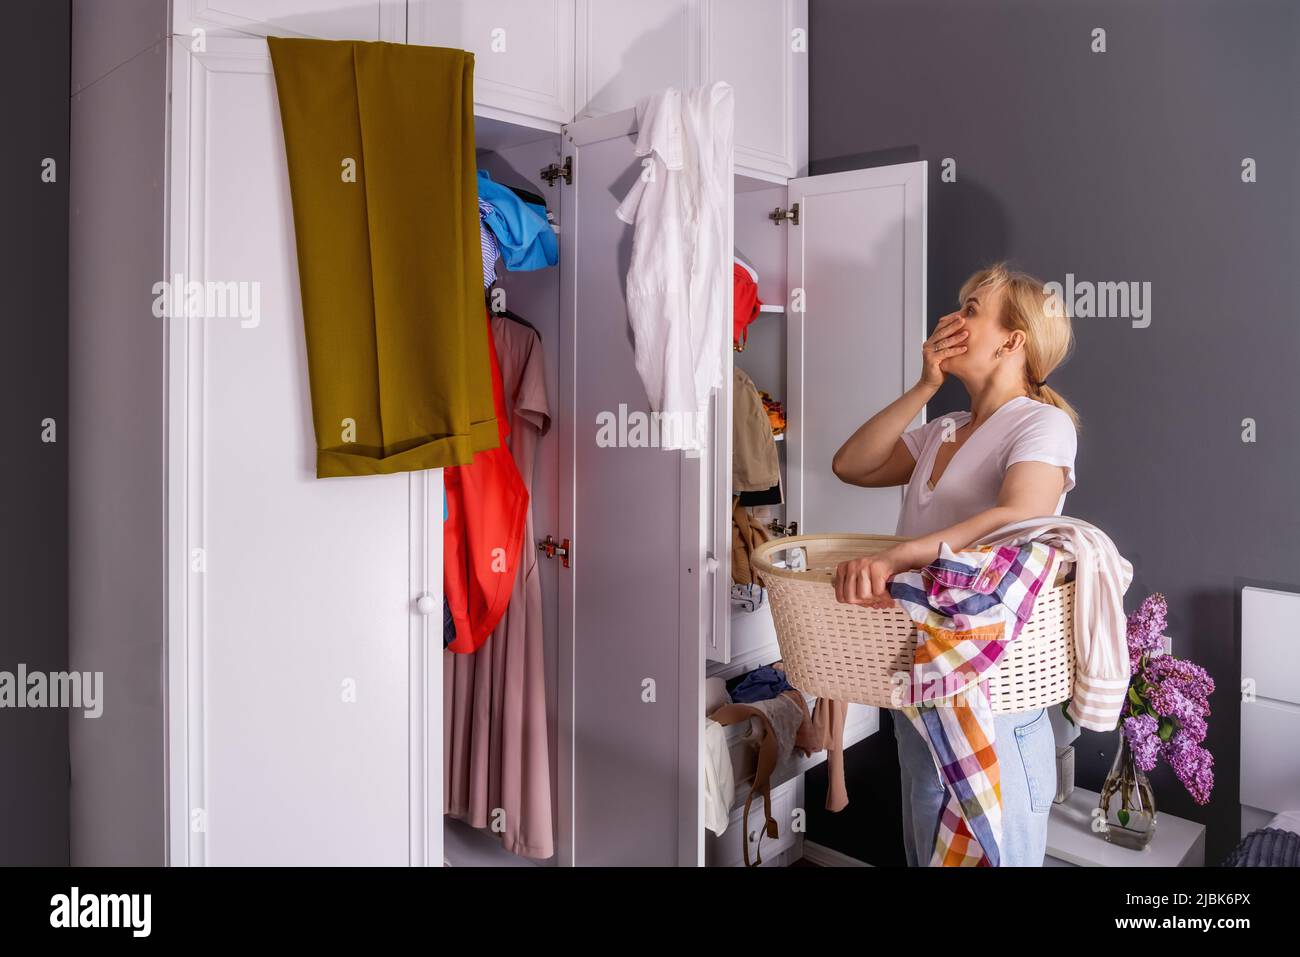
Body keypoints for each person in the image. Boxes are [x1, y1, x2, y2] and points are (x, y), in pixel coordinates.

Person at [829, 262, 1079, 866]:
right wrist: (924, 387)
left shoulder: (1044, 424)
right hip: (922, 691)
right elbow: (851, 464)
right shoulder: (943, 428)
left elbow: (1018, 515)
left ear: (1011, 339)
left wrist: (898, 556)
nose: (951, 319)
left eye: (970, 309)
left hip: (996, 700)